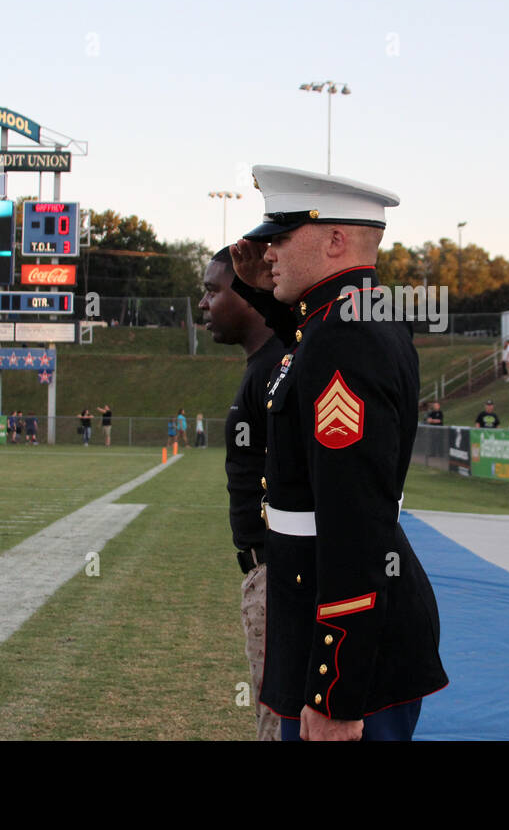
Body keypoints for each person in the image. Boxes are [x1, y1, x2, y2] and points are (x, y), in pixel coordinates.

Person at [229, 164, 448, 741]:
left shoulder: (344, 335)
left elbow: (355, 522)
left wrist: (334, 692)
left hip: (349, 650)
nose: (267, 249)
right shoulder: (349, 318)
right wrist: (258, 288)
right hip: (331, 623)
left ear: (333, 239)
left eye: (281, 236)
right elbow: (301, 344)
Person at [198, 245, 286, 741]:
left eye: (213, 290)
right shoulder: (264, 366)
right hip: (267, 568)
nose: (203, 304)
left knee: (277, 722)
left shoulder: (277, 369)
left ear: (251, 296)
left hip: (279, 572)